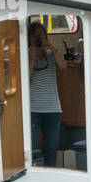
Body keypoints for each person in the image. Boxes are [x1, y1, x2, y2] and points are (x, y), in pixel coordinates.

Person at [27, 21, 65, 166]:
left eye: (40, 36)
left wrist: (51, 48)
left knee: (51, 148)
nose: (37, 39)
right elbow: (26, 79)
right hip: (33, 109)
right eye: (34, 37)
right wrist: (31, 58)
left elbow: (63, 66)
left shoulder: (51, 54)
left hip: (53, 109)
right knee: (32, 150)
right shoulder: (25, 56)